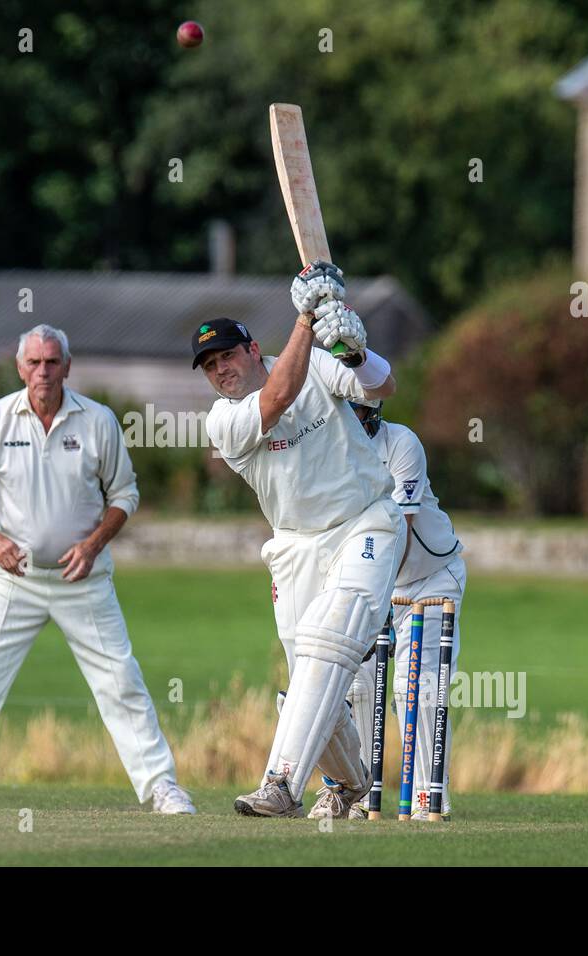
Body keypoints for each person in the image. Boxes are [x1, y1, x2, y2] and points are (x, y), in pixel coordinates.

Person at [0, 324, 195, 814]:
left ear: (67, 366)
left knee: (121, 680)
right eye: (34, 363)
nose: (43, 372)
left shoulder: (98, 421)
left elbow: (125, 494)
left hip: (83, 580)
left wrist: (93, 544)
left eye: (52, 362)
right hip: (15, 581)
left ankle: (161, 787)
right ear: (20, 368)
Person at [194, 260, 405, 818]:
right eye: (210, 366)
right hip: (294, 549)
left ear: (252, 349)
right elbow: (278, 397)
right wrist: (309, 317)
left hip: (366, 522)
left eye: (227, 357)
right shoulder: (224, 419)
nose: (221, 371)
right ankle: (350, 783)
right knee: (310, 676)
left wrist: (356, 353)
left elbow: (382, 385)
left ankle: (282, 784)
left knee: (328, 642)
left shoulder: (315, 361)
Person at [346, 401, 466, 820]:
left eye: (353, 409)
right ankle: (359, 793)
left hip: (432, 576)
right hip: (376, 582)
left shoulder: (401, 443)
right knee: (357, 683)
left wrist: (379, 603)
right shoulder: (331, 450)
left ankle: (427, 797)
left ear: (370, 412)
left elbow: (401, 531)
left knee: (416, 686)